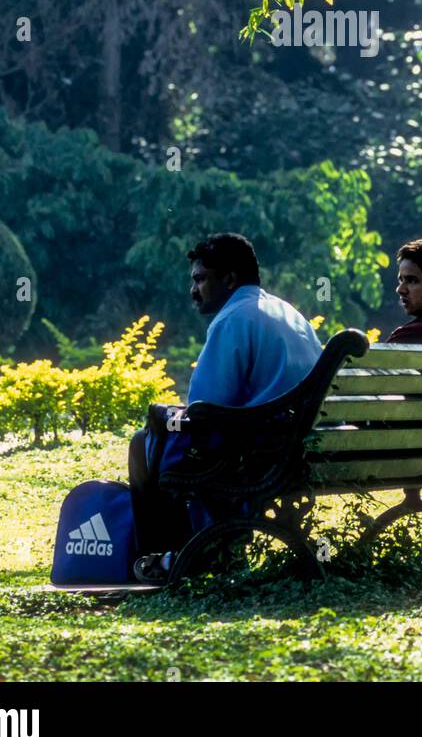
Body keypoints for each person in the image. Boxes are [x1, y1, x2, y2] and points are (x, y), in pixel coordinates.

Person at [130, 232, 322, 583]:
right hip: (301, 445)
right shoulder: (289, 313)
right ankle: (196, 549)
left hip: (262, 452)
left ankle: (168, 556)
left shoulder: (233, 318)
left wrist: (163, 415)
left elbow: (205, 408)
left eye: (201, 279)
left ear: (230, 279)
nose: (193, 290)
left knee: (144, 440)